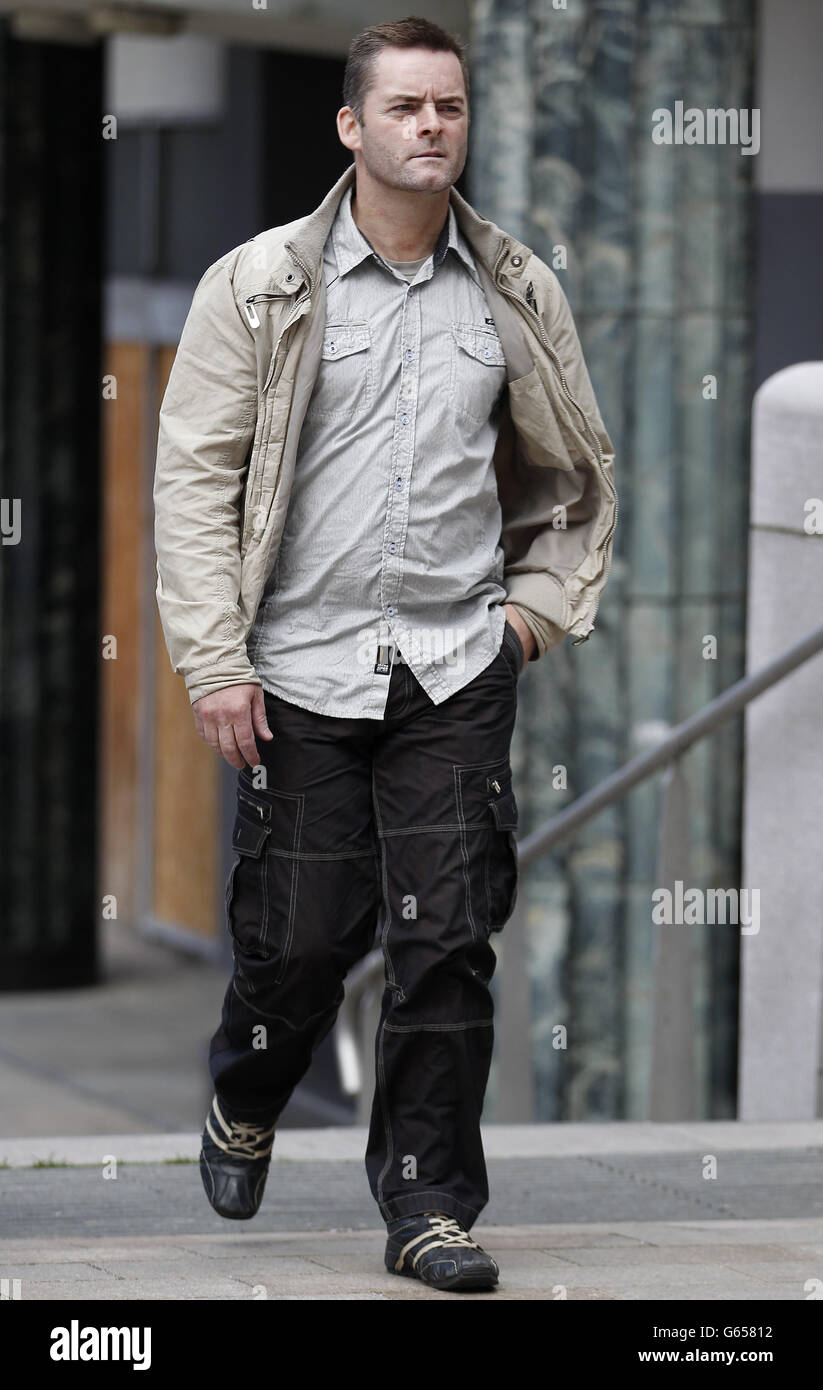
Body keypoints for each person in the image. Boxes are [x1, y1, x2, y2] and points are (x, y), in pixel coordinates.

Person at [153, 15, 617, 1293]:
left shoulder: (516, 288)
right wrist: (213, 660)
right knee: (297, 942)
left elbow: (576, 471)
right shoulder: (254, 286)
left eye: (450, 107)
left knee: (448, 937)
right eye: (405, 107)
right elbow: (193, 482)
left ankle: (427, 1206)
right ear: (351, 127)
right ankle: (247, 1087)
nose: (431, 127)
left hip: (457, 665)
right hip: (296, 665)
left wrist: (530, 612)